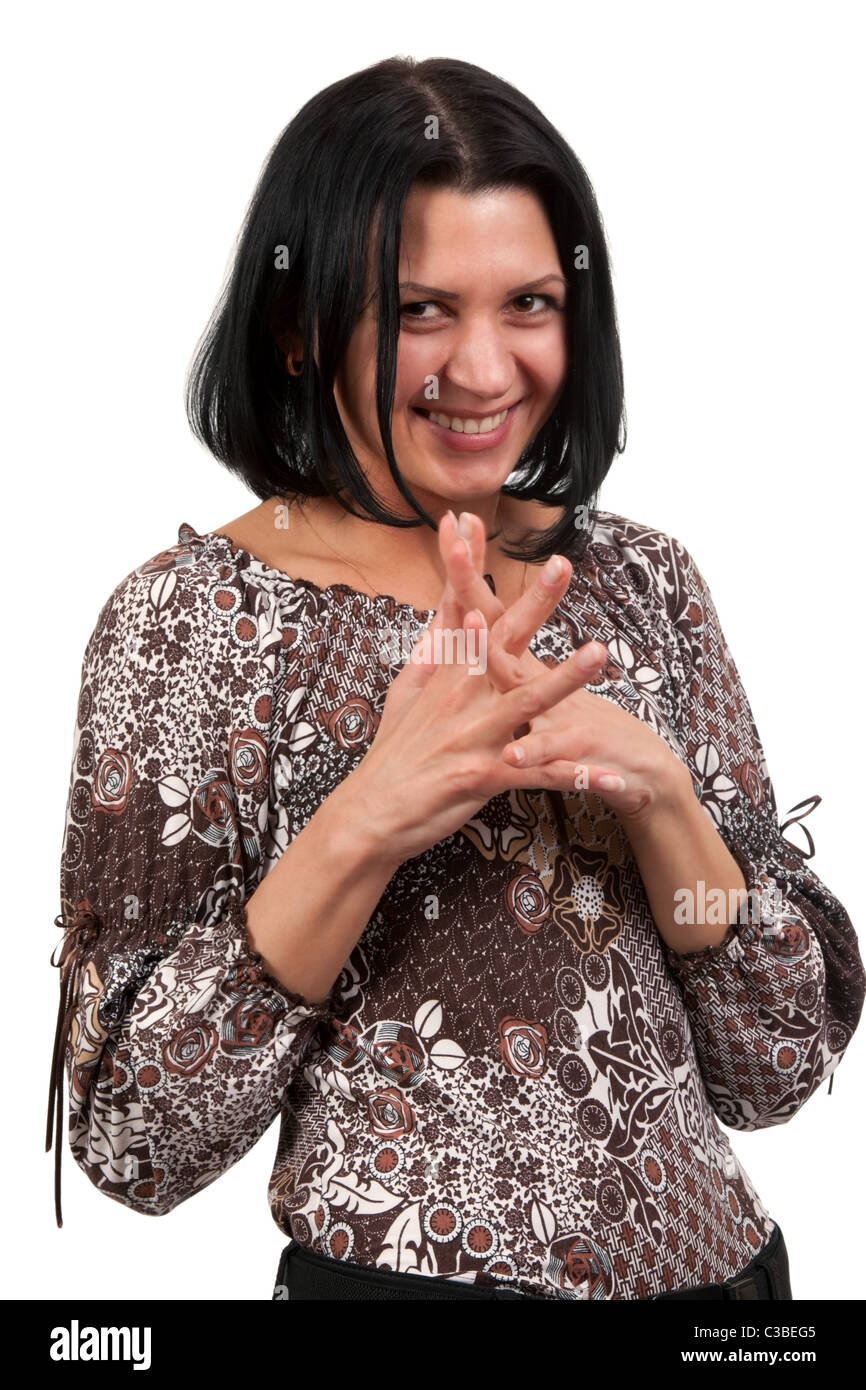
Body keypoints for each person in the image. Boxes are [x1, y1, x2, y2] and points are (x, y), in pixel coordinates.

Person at [47, 55, 865, 1302]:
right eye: (420, 309)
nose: (483, 372)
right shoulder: (186, 624)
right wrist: (371, 812)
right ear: (296, 320)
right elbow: (131, 1136)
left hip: (732, 1300)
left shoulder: (645, 584)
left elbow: (774, 1068)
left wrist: (660, 801)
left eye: (529, 303)